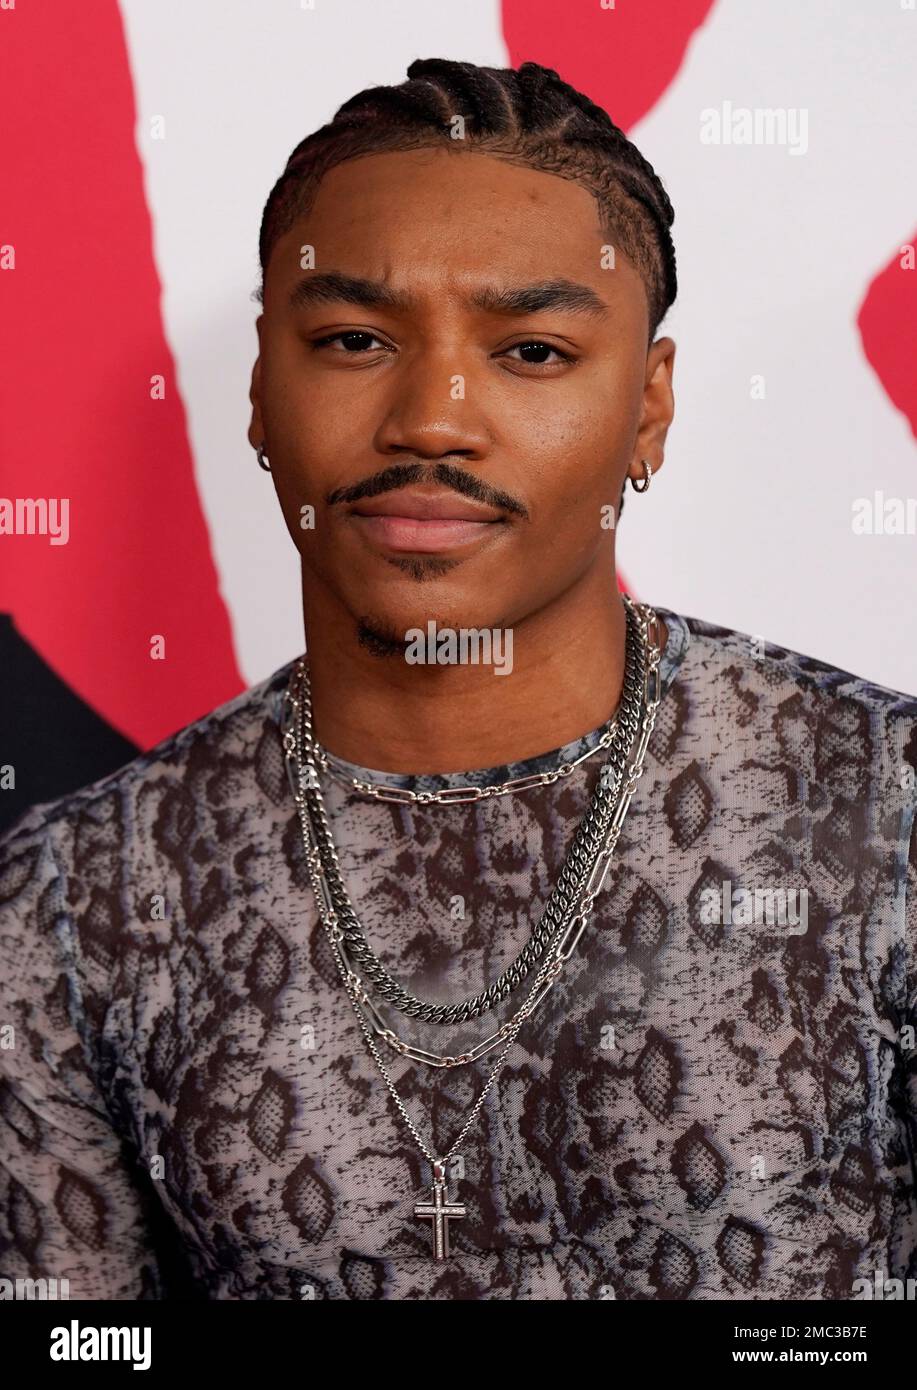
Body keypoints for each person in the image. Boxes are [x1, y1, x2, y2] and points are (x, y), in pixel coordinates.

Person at [1, 57, 914, 1302]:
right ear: (262, 392)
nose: (432, 417)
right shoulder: (69, 905)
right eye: (354, 339)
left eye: (531, 350)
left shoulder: (888, 811)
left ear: (647, 410)